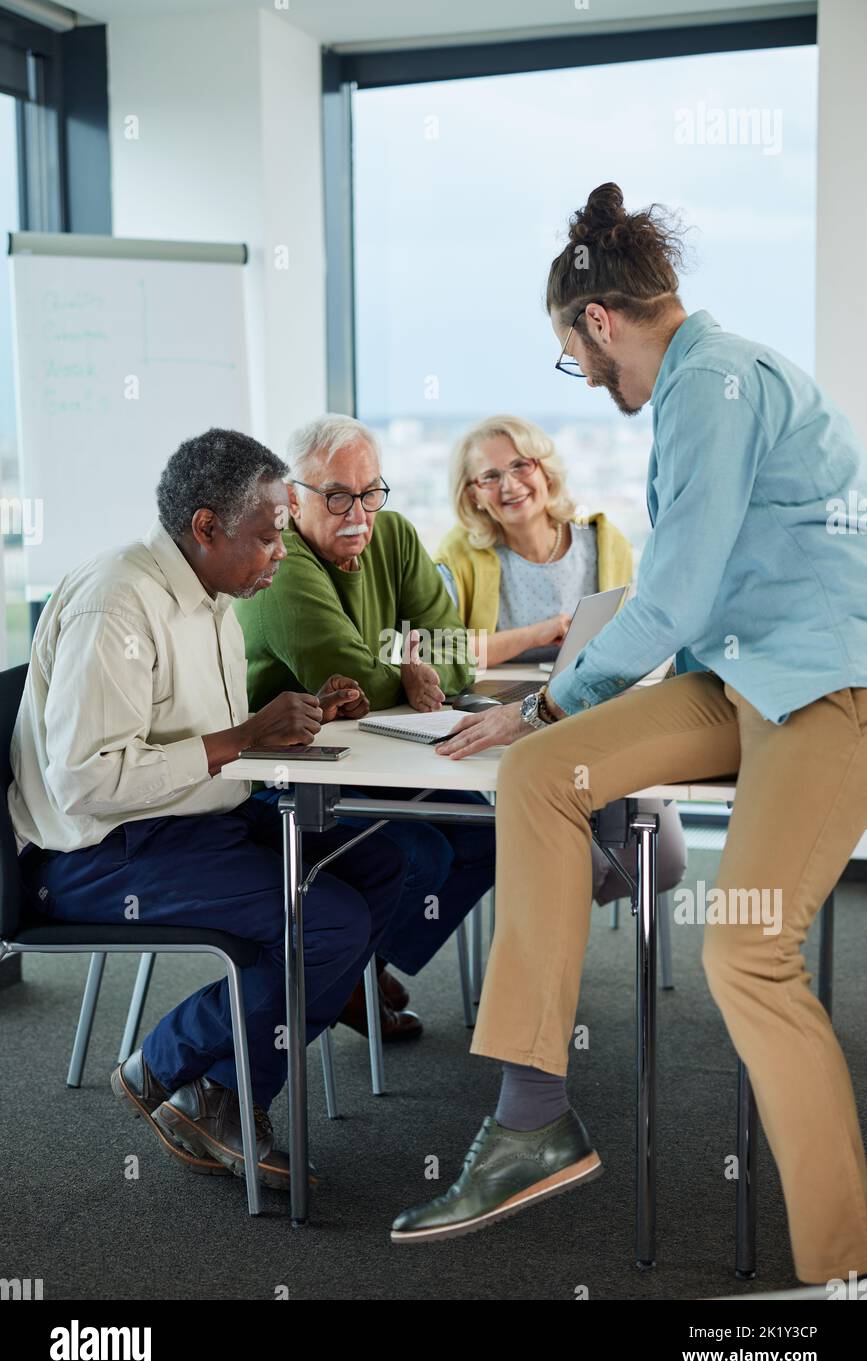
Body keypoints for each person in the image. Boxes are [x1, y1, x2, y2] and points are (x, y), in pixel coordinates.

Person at [391, 183, 867, 1292]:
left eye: (575, 355)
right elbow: (693, 608)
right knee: (546, 771)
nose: (587, 376)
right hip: (738, 673)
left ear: (598, 323)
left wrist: (551, 694)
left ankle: (844, 1273)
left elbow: (675, 590)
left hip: (820, 686)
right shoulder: (701, 389)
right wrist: (549, 719)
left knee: (744, 951)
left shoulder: (713, 382)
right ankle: (531, 1120)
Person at [9, 427, 406, 1192]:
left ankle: (212, 1087)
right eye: (267, 537)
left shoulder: (211, 591)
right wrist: (247, 735)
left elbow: (196, 738)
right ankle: (173, 1065)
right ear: (204, 526)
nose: (282, 554)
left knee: (384, 861)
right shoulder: (116, 604)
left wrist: (300, 715)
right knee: (328, 922)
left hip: (192, 819)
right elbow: (85, 784)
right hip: (94, 855)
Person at [235, 414, 496, 1043]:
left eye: (371, 491)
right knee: (423, 853)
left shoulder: (395, 535)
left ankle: (360, 960)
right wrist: (401, 666)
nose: (359, 513)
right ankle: (345, 972)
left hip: (379, 759)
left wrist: (413, 665)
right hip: (286, 781)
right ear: (292, 498)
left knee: (491, 832)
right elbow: (343, 676)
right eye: (337, 496)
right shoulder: (281, 560)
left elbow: (458, 652)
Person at [435, 412, 686, 909]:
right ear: (473, 495)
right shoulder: (461, 553)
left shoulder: (602, 540)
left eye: (520, 466)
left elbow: (634, 632)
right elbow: (447, 651)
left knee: (666, 858)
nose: (509, 485)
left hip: (599, 706)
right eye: (490, 476)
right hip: (508, 715)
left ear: (544, 470)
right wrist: (541, 631)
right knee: (575, 863)